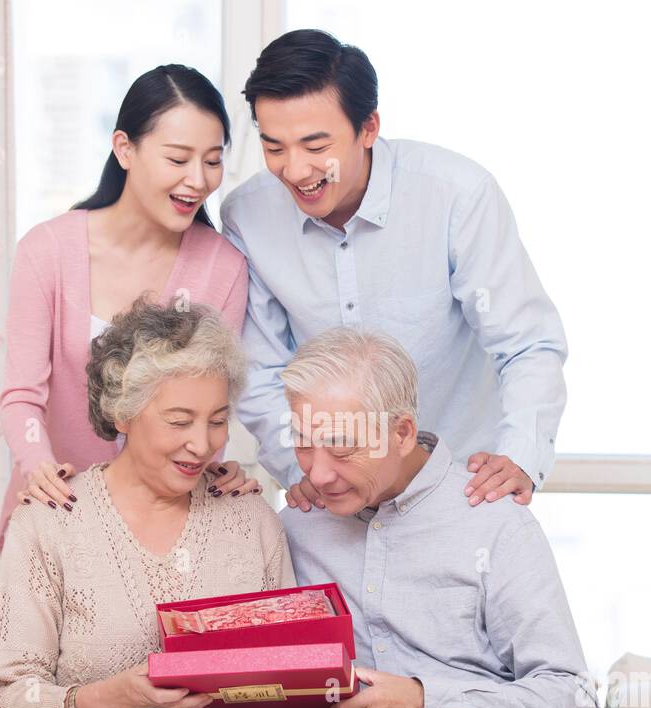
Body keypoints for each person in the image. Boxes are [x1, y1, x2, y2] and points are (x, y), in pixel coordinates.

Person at [0, 297, 297, 708]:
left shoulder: (250, 518)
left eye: (218, 421)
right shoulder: (50, 522)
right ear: (123, 412)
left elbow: (292, 686)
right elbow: (8, 698)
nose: (202, 445)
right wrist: (115, 698)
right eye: (179, 421)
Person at [274, 327, 600, 708]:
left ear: (402, 431)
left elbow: (574, 704)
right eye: (303, 443)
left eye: (341, 447)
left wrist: (427, 702)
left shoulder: (492, 519)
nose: (318, 471)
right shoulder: (300, 525)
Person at [221, 29, 567, 514]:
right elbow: (261, 370)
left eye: (316, 146)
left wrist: (520, 455)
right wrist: (304, 468)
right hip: (330, 499)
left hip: (460, 491)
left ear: (368, 128)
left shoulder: (456, 196)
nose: (295, 171)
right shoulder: (249, 216)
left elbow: (528, 344)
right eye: (274, 147)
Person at [0, 64, 258, 553]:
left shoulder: (223, 267)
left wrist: (216, 466)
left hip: (166, 526)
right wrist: (38, 466)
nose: (198, 180)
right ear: (125, 149)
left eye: (212, 160)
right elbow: (21, 395)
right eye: (178, 159)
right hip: (60, 513)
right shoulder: (47, 251)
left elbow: (211, 402)